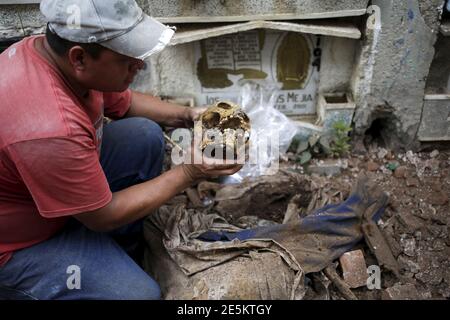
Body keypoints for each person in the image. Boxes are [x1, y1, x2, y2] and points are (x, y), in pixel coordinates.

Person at [0, 0, 241, 300]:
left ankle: (119, 253)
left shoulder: (57, 55)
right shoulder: (49, 127)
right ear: (79, 59)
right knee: (138, 295)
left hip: (58, 194)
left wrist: (187, 115)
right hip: (19, 244)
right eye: (128, 59)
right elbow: (101, 215)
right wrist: (189, 172)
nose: (139, 65)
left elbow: (125, 103)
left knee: (142, 135)